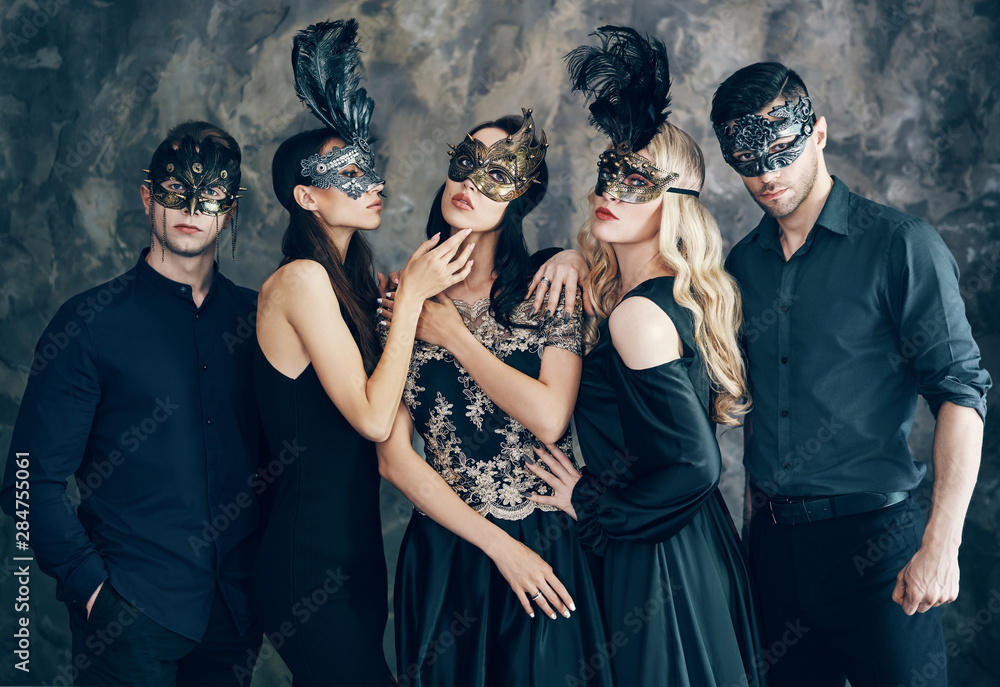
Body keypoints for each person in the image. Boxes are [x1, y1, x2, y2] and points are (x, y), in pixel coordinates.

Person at [711, 62, 991, 687]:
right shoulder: (742, 264)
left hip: (877, 548)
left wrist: (942, 545)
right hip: (774, 551)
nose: (766, 173)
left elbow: (961, 394)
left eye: (781, 149)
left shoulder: (899, 245)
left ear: (818, 133)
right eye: (745, 159)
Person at [529, 27, 766, 686]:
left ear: (673, 202)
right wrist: (572, 254)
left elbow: (694, 465)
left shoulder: (637, 314)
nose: (612, 190)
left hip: (657, 556)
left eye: (636, 180)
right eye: (611, 173)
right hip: (683, 542)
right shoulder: (642, 296)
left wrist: (586, 498)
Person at [250, 20, 473, 687]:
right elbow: (372, 421)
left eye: (370, 167)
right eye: (348, 173)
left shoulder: (348, 287)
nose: (370, 181)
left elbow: (391, 423)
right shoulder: (300, 282)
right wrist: (408, 306)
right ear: (307, 196)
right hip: (302, 563)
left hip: (355, 555)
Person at [0, 120, 261, 686]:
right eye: (173, 192)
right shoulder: (89, 324)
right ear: (148, 198)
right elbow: (27, 481)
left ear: (231, 210)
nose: (191, 207)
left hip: (233, 618)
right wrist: (91, 588)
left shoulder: (261, 321)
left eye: (211, 195)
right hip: (129, 614)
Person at [375, 108, 613, 687]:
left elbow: (549, 416)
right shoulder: (398, 302)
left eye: (496, 174)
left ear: (522, 195)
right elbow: (392, 456)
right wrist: (498, 548)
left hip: (544, 538)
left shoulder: (549, 289)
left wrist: (455, 336)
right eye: (464, 165)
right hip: (446, 551)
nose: (470, 184)